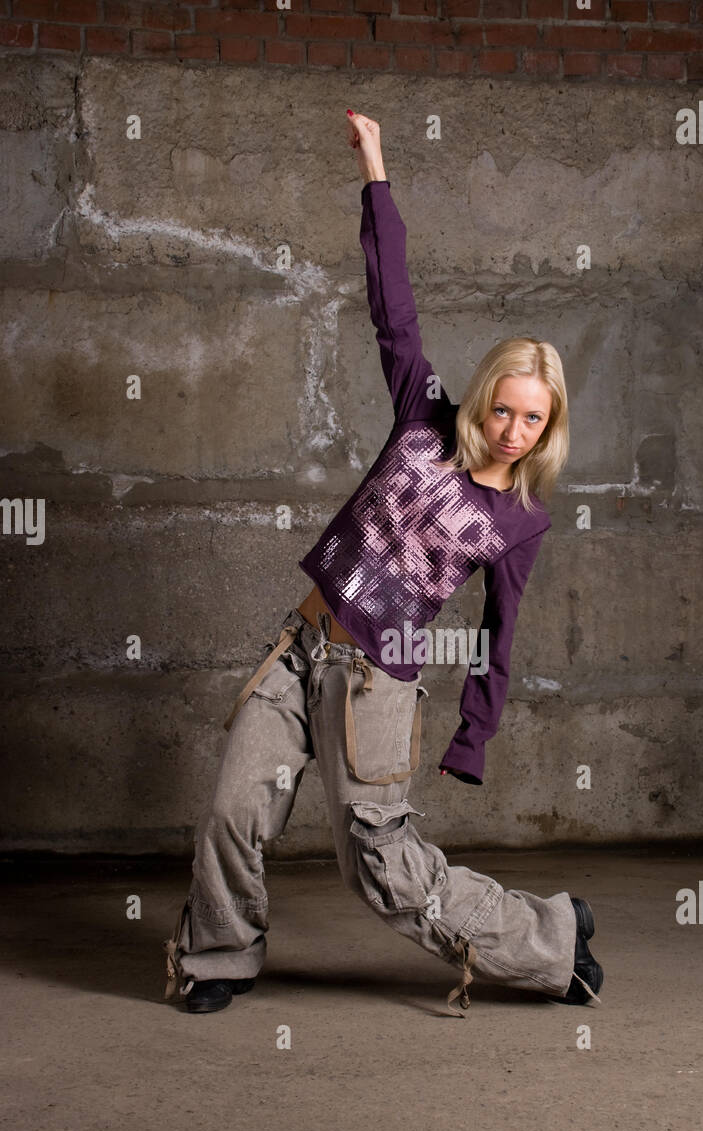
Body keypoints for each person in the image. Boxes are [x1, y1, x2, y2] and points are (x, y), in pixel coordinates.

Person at [163, 111, 604, 1018]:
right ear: (482, 397)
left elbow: (499, 635)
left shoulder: (518, 521)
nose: (512, 430)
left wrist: (472, 734)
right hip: (303, 645)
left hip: (374, 685)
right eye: (505, 410)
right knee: (233, 810)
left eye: (534, 421)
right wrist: (375, 170)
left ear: (546, 429)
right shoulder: (422, 417)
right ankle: (219, 958)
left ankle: (551, 938)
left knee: (385, 876)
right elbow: (390, 300)